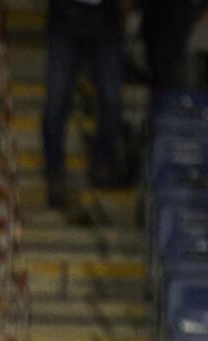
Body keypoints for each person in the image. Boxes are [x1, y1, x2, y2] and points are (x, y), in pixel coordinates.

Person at [40, 0, 126, 209]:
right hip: (66, 19)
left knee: (112, 99)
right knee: (57, 101)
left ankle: (102, 161)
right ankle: (54, 171)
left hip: (106, 21)